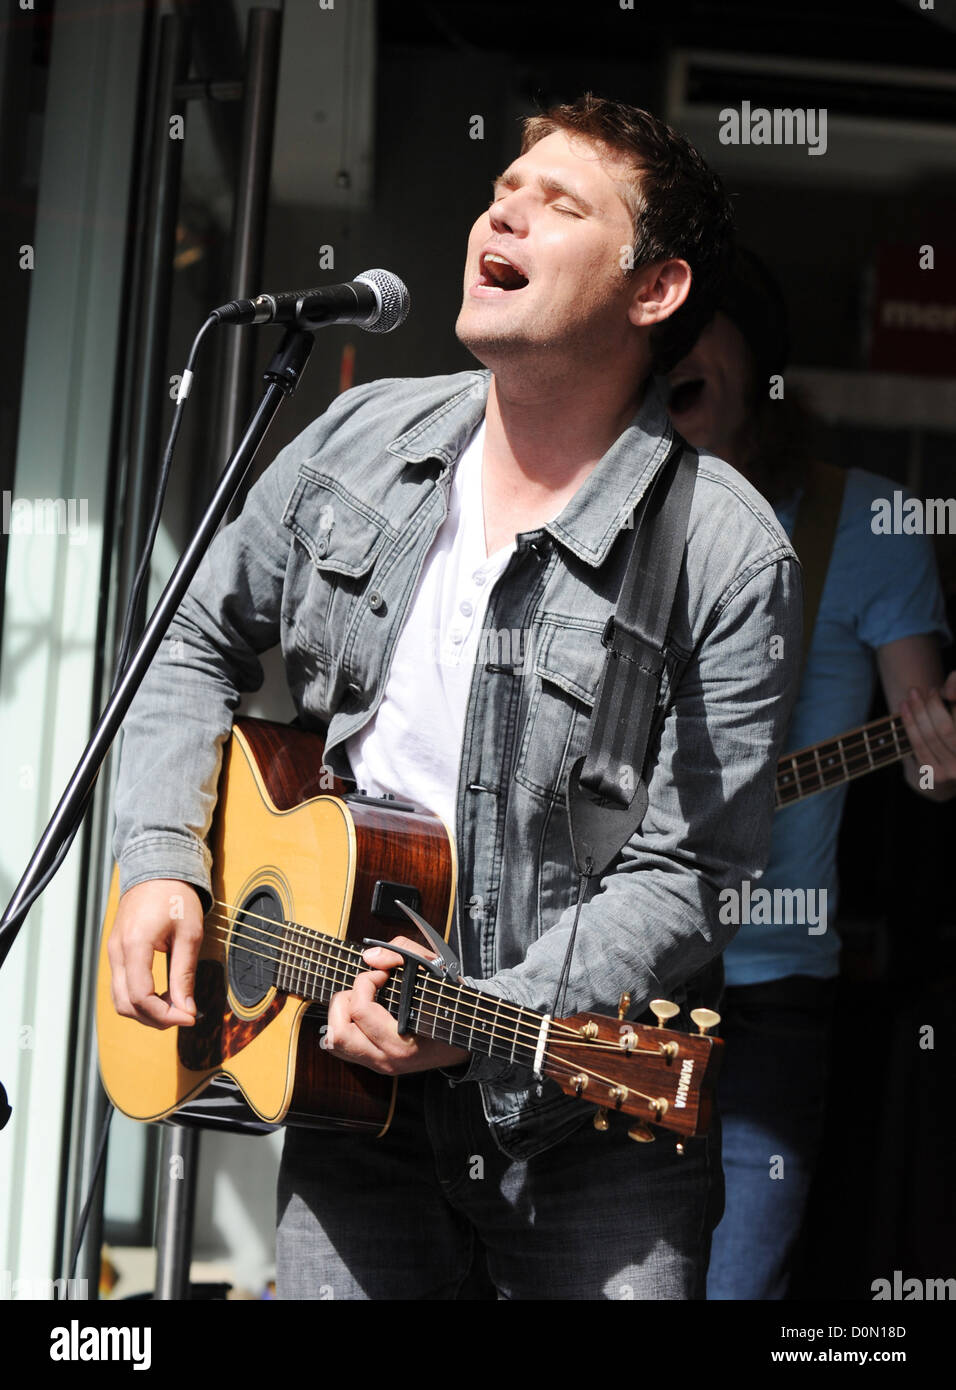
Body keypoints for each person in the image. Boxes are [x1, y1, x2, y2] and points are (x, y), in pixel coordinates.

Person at [106, 96, 803, 1300]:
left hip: (587, 1127)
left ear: (652, 291)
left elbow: (692, 871)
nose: (505, 209)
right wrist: (162, 858)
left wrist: (485, 1012)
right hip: (345, 1107)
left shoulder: (727, 553)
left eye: (560, 204)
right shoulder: (358, 438)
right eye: (504, 188)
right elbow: (183, 637)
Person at [666, 249, 956, 1301]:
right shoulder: (607, 504)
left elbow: (927, 764)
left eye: (695, 328)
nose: (667, 354)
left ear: (755, 359)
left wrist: (933, 769)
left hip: (768, 994)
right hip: (589, 982)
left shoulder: (864, 521)